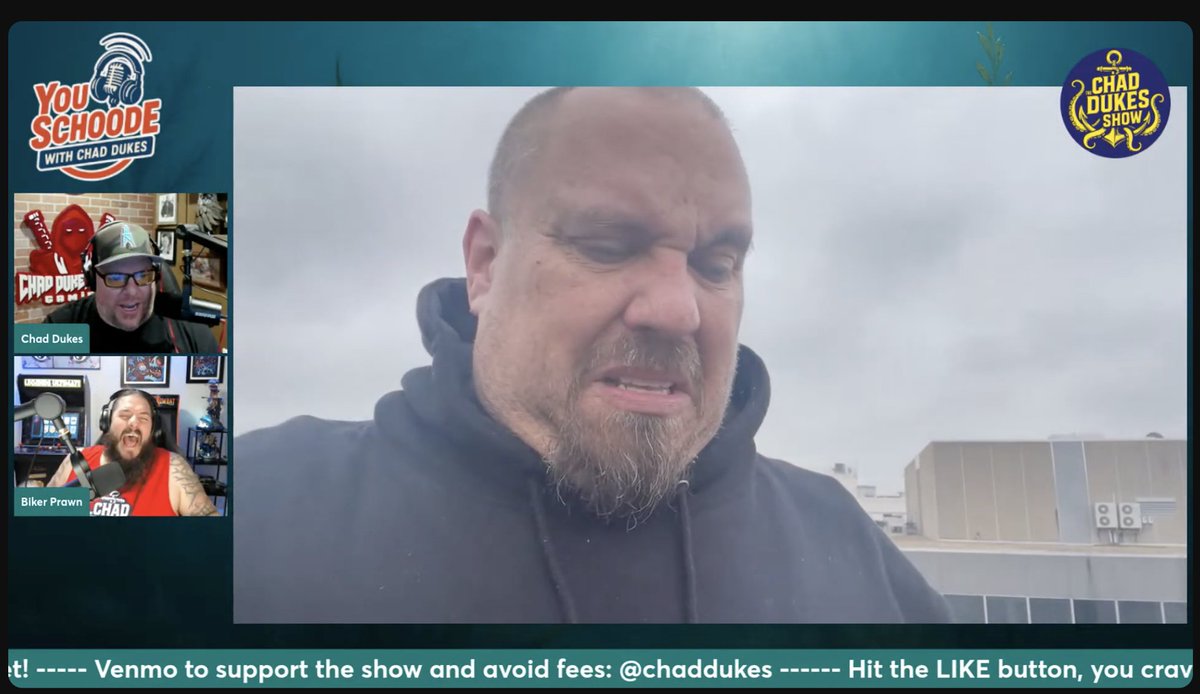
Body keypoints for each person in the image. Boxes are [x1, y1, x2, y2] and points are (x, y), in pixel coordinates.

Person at [234, 87, 952, 623]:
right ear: (484, 265)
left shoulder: (850, 556)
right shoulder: (252, 512)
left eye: (715, 264)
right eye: (608, 246)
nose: (676, 310)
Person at [43, 220, 220, 354]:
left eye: (143, 276)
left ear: (157, 275)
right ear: (92, 280)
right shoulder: (58, 329)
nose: (132, 292)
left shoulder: (193, 333)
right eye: (116, 278)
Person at [47, 389, 219, 517]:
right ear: (107, 423)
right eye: (124, 415)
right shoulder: (77, 459)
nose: (134, 423)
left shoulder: (173, 467)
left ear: (153, 430)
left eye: (144, 418)